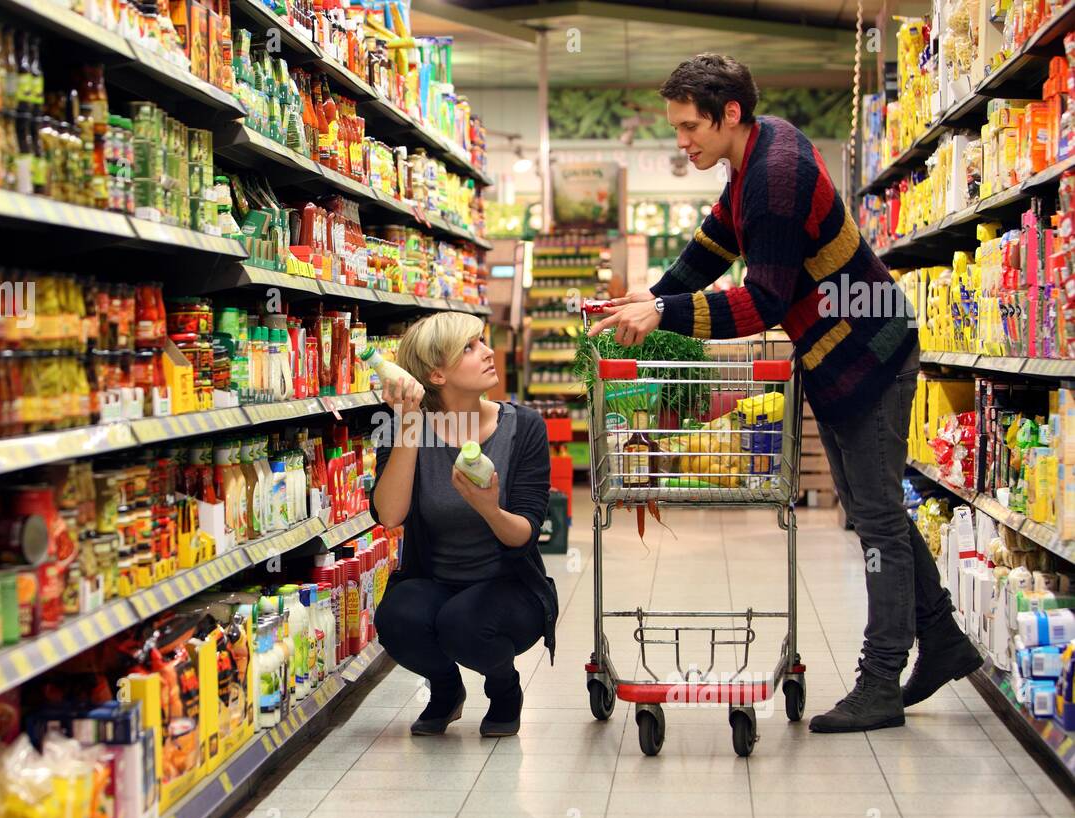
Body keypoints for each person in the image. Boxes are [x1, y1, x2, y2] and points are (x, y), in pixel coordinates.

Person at [588, 54, 982, 733]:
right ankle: (942, 639)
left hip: (869, 352)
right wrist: (650, 296)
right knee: (874, 506)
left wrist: (668, 315)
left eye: (690, 128)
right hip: (836, 353)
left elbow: (765, 301)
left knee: (878, 520)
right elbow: (712, 246)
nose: (683, 142)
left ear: (729, 113)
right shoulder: (756, 154)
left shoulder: (773, 179)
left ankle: (881, 680)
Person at [368, 312, 558, 737]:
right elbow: (390, 515)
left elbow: (525, 533)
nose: (489, 352)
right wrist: (410, 423)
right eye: (470, 347)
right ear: (437, 374)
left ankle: (505, 687)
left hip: (508, 588)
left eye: (482, 342)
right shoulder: (403, 428)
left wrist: (488, 507)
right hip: (437, 580)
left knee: (464, 623)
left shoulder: (523, 427)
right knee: (397, 617)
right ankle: (446, 689)